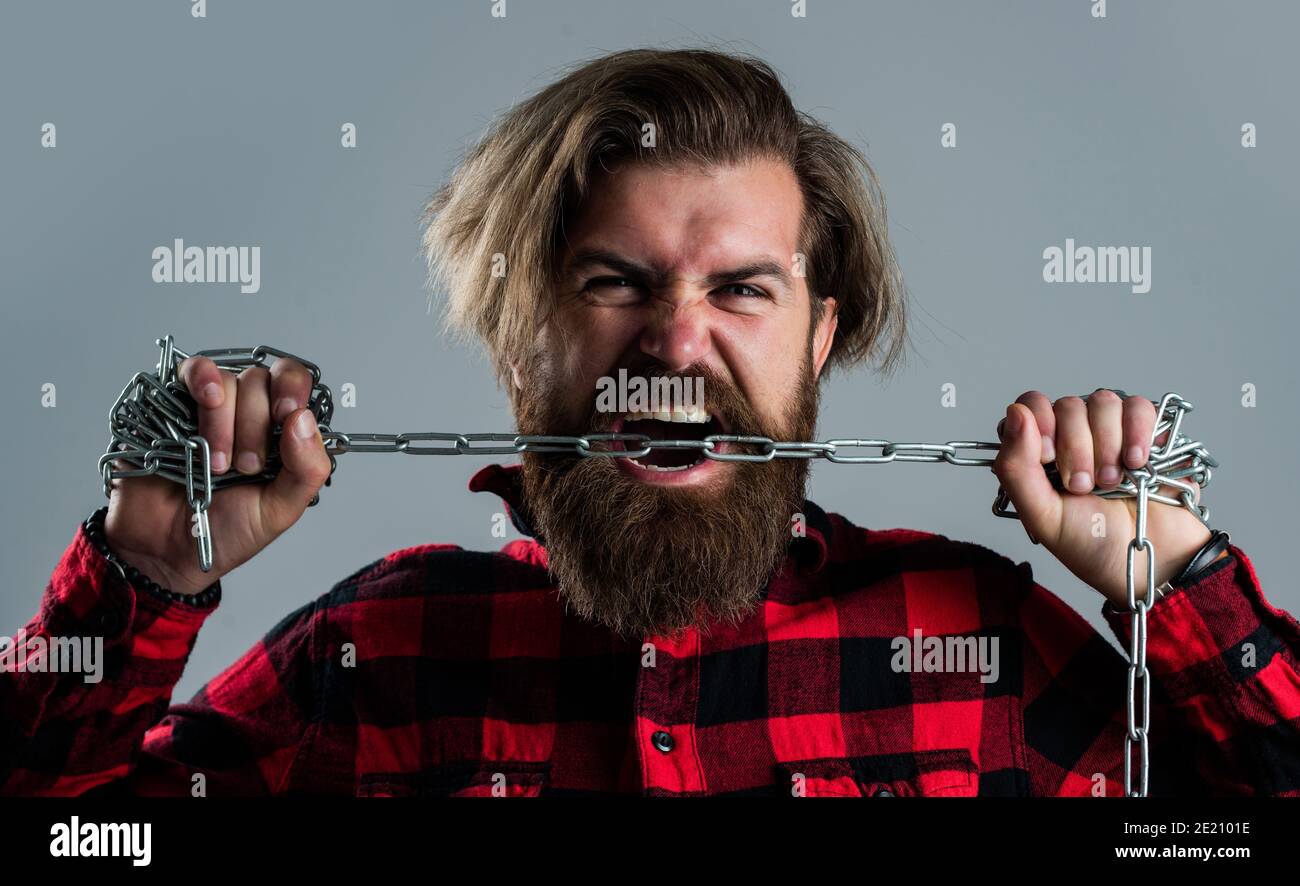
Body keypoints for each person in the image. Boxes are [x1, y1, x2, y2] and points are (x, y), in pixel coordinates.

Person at [3, 48, 1296, 797]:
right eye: (615, 283)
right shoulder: (370, 664)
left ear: (821, 335)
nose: (678, 342)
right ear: (524, 340)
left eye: (741, 290)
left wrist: (1178, 582)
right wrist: (147, 578)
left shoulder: (984, 652)